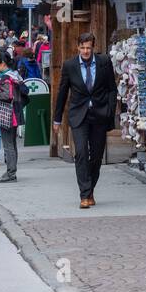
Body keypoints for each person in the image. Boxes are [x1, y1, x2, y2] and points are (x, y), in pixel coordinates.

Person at [53, 32, 117, 209]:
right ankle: (84, 194)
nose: (86, 51)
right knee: (81, 152)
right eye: (83, 48)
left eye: (89, 47)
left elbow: (112, 88)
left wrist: (110, 110)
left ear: (93, 47)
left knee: (96, 156)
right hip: (78, 115)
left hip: (99, 115)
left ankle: (90, 190)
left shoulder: (104, 62)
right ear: (78, 47)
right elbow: (62, 93)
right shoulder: (70, 65)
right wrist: (57, 119)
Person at [0, 50, 26, 183]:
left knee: (8, 145)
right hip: (15, 112)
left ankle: (10, 173)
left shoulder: (5, 78)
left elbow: (6, 96)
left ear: (3, 63)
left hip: (7, 114)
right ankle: (12, 171)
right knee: (12, 144)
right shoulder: (15, 75)